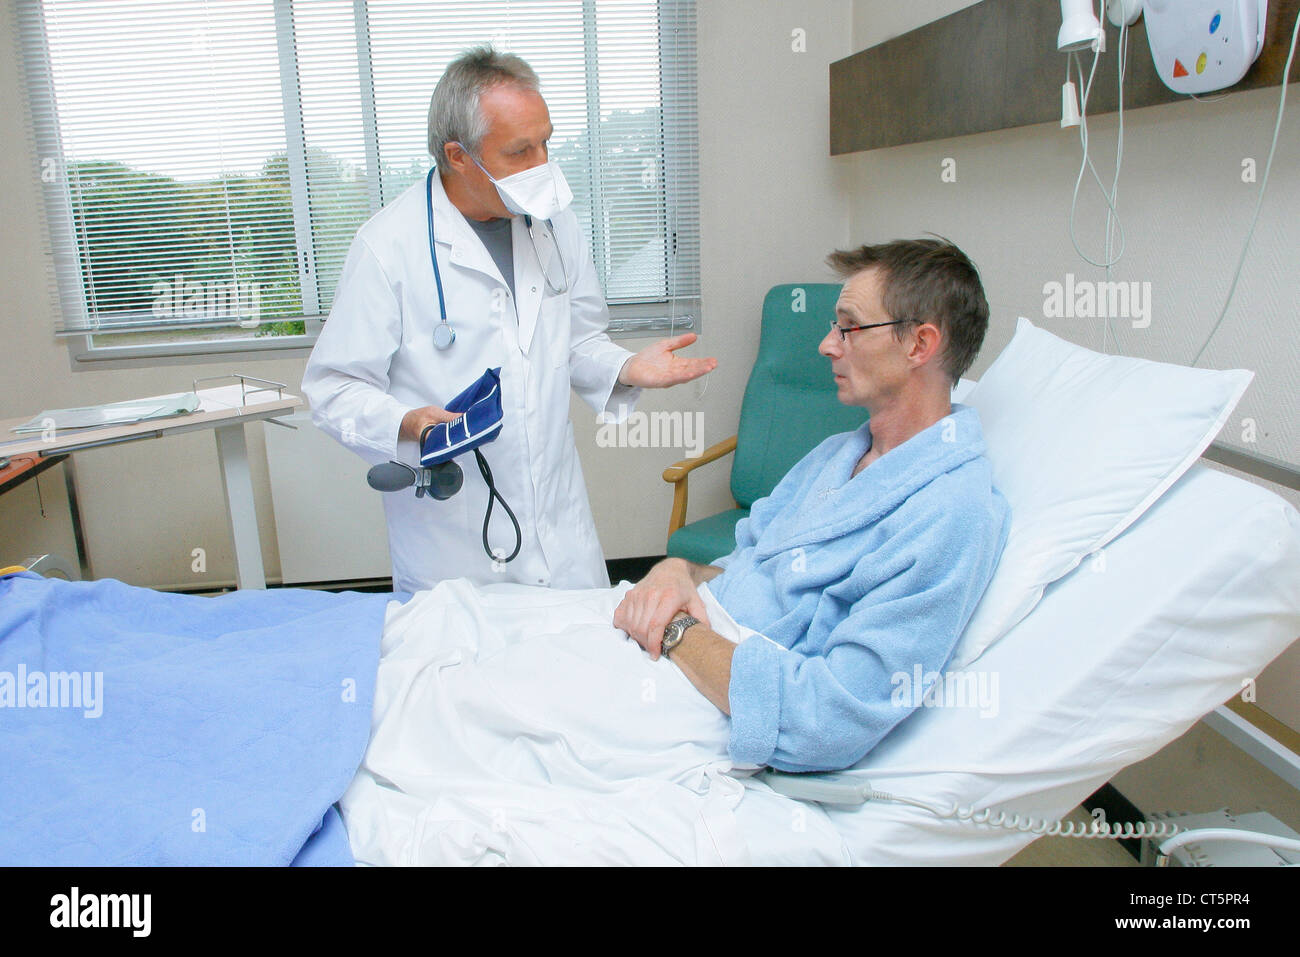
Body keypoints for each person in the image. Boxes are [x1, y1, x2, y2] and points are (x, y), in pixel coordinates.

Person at [302, 46, 714, 594]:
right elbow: (333, 388)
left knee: (578, 666)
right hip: (454, 537)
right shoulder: (387, 247)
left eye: (547, 143)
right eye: (521, 151)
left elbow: (579, 339)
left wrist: (626, 368)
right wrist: (408, 423)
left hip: (559, 524)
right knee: (468, 673)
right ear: (458, 156)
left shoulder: (556, 225)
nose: (542, 164)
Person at [613, 237, 1011, 771]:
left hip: (706, 690)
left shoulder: (950, 515)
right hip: (678, 644)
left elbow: (827, 720)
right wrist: (674, 572)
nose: (827, 345)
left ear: (919, 345)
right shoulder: (837, 454)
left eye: (847, 326)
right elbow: (741, 567)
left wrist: (676, 630)